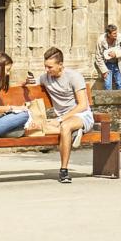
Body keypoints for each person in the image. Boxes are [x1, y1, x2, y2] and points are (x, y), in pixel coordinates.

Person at [35, 46, 94, 184]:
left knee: (65, 127)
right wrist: (27, 81)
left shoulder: (74, 77)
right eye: (45, 66)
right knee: (43, 127)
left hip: (81, 115)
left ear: (60, 64)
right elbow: (29, 85)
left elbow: (82, 105)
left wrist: (60, 119)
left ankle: (64, 170)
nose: (47, 70)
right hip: (62, 119)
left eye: (50, 67)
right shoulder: (45, 78)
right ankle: (75, 132)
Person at [95, 24, 121, 90]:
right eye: (114, 33)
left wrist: (116, 54)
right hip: (106, 64)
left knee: (119, 83)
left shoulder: (120, 38)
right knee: (107, 84)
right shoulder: (101, 40)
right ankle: (108, 97)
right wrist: (104, 71)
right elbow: (98, 57)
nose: (116, 35)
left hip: (118, 63)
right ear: (108, 34)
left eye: (116, 33)